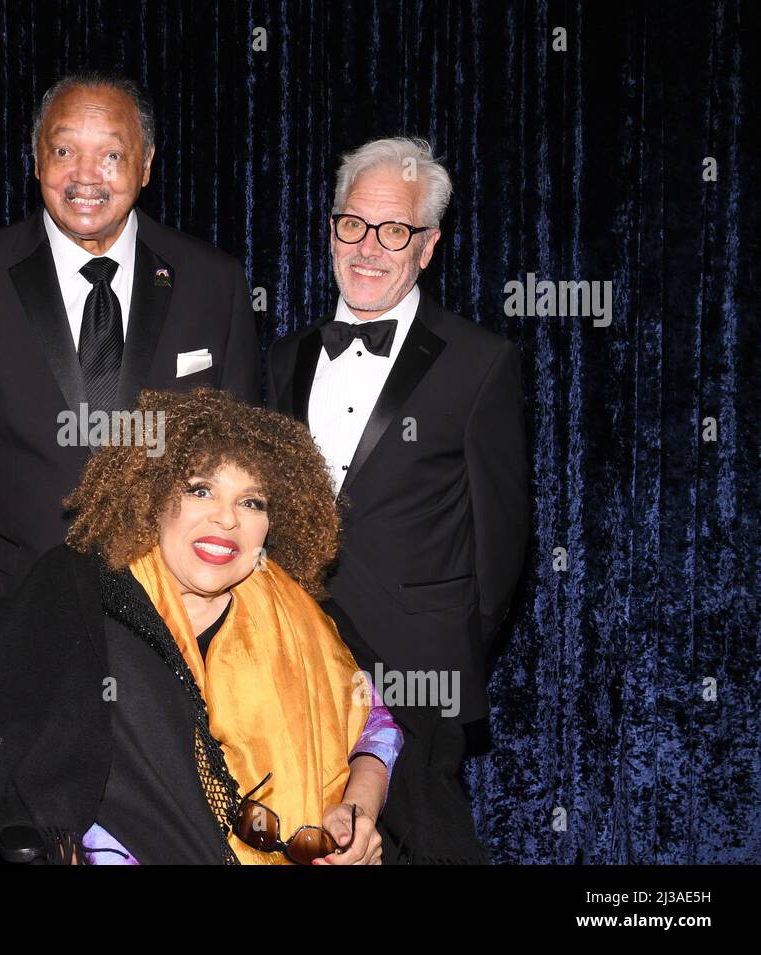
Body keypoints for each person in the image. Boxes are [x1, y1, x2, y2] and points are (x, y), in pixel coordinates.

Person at [0, 387, 401, 865]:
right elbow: (29, 792)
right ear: (152, 498)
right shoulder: (80, 610)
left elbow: (374, 729)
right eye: (200, 490)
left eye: (252, 502)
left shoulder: (296, 612)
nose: (226, 518)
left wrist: (356, 813)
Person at [266, 137, 529, 863]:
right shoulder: (286, 357)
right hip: (297, 661)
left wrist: (447, 641)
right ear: (331, 229)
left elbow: (502, 544)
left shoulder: (481, 362)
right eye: (353, 224)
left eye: (395, 230)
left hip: (420, 672)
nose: (369, 247)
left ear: (428, 245)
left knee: (428, 849)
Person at [0, 71, 261, 612]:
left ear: (146, 165)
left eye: (111, 155)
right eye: (64, 151)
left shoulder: (213, 283)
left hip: (175, 609)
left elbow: (240, 462)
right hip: (18, 607)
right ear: (37, 159)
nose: (86, 177)